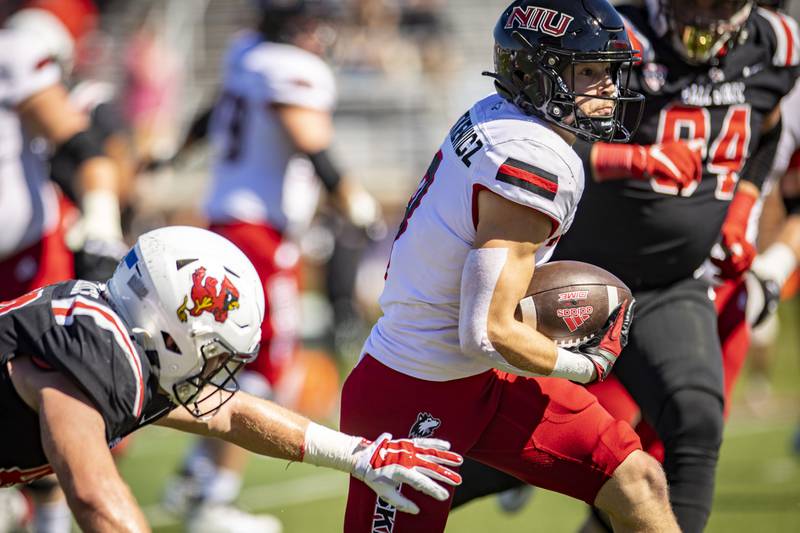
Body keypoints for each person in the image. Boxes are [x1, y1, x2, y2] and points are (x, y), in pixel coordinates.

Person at [452, 1, 800, 531]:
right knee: (523, 443)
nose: (702, 14)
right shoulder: (617, 33)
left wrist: (744, 204)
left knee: (696, 422)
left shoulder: (776, 44)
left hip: (670, 284)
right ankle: (398, 492)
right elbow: (545, 127)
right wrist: (639, 158)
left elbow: (769, 127)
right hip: (579, 280)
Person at [340, 1, 682, 532]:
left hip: (482, 379)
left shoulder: (500, 116)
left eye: (609, 73)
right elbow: (486, 330)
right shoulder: (532, 157)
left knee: (639, 481)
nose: (609, 90)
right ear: (532, 73)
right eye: (588, 72)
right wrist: (584, 366)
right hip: (414, 390)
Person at [0, 225, 463, 533]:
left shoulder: (124, 335)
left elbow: (233, 413)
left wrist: (359, 454)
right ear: (171, 330)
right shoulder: (98, 355)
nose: (211, 371)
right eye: (212, 354)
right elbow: (94, 494)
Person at [160, 1, 383, 530]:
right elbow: (312, 142)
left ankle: (197, 476)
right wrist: (356, 202)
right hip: (257, 236)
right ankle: (212, 497)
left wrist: (174, 153)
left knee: (231, 362)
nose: (319, 32)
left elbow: (211, 114)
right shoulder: (290, 68)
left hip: (229, 223)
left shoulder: (247, 51)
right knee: (264, 366)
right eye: (310, 21)